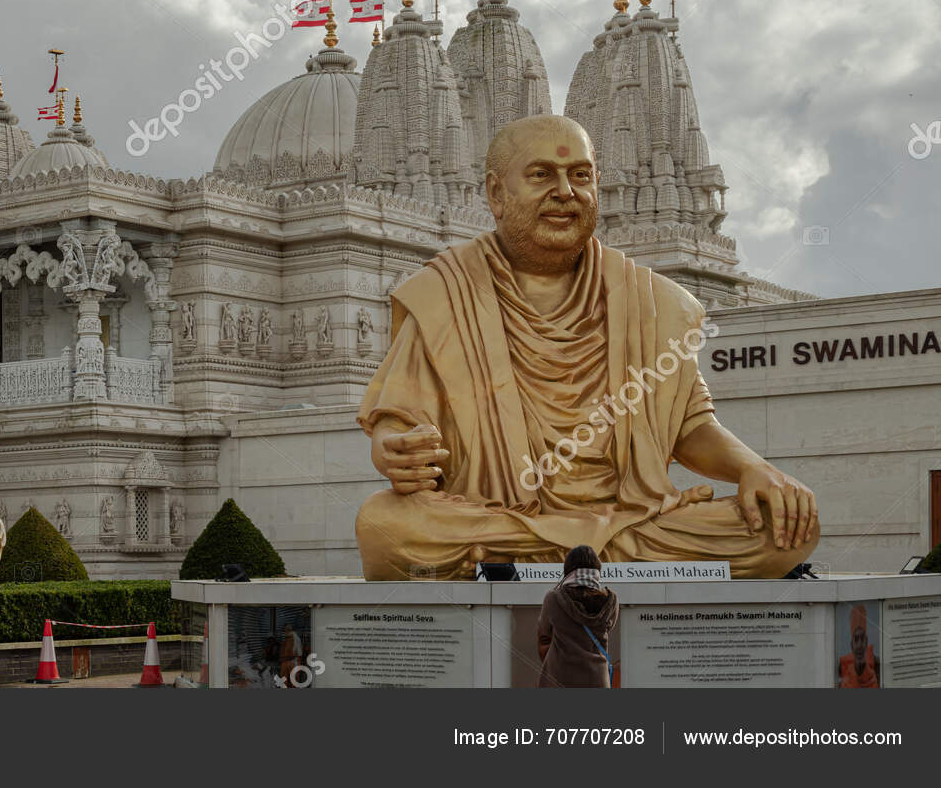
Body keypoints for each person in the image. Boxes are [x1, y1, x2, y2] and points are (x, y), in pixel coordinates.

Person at [355, 116, 819, 579]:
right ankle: (597, 562)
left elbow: (691, 426)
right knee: (384, 525)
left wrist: (753, 469)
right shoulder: (444, 293)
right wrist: (392, 448)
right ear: (496, 194)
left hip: (629, 517)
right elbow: (399, 419)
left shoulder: (652, 300)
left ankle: (526, 564)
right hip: (501, 514)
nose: (565, 192)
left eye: (580, 175)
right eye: (541, 176)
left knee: (786, 527)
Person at [537, 545, 619, 688]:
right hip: (597, 679)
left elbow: (545, 631)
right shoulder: (611, 601)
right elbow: (609, 627)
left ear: (568, 569)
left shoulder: (553, 598)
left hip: (560, 677)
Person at [836, 604, 880, 687]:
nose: (859, 645)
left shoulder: (877, 667)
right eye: (856, 639)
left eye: (862, 639)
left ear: (866, 642)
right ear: (851, 645)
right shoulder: (842, 673)